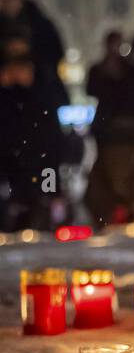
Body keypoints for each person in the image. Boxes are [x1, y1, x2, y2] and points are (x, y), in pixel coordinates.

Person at [84, 30, 134, 225]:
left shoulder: (130, 71)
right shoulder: (100, 70)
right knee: (112, 176)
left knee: (129, 176)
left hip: (127, 135)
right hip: (109, 132)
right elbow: (93, 89)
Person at [0, 39, 63, 230]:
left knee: (39, 215)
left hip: (37, 162)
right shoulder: (6, 101)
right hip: (10, 163)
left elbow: (50, 139)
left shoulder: (43, 92)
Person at [0, 0, 70, 113]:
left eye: (7, 1)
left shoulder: (38, 23)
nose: (5, 7)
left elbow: (54, 53)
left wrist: (33, 66)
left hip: (40, 95)